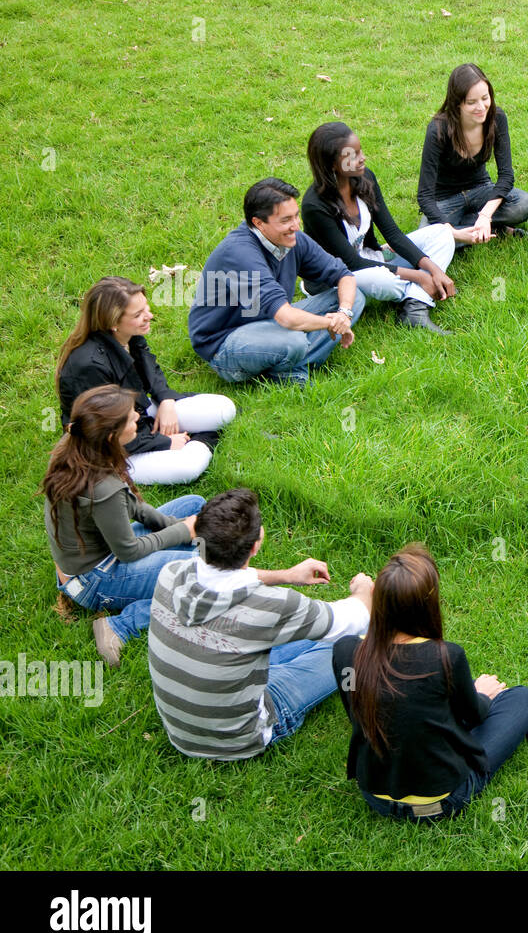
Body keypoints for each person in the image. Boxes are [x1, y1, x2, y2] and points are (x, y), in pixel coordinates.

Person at [331, 544, 528, 822]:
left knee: (423, 706)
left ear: (377, 604)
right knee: (521, 698)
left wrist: (363, 597)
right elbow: (474, 715)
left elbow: (357, 713)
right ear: (427, 605)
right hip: (444, 799)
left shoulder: (346, 651)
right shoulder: (445, 657)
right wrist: (482, 695)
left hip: (374, 795)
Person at [148, 488, 373, 760]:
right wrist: (364, 589)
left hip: (180, 730)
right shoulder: (271, 608)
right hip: (238, 738)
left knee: (267, 640)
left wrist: (286, 575)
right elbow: (354, 618)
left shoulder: (171, 573)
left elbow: (226, 579)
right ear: (256, 544)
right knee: (351, 643)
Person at [43, 385, 203, 667]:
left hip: (97, 554)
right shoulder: (102, 487)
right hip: (94, 579)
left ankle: (191, 555)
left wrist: (176, 525)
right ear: (110, 436)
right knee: (202, 576)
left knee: (194, 503)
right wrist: (181, 531)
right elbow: (128, 550)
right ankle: (121, 625)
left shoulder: (78, 446)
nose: (139, 419)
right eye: (131, 418)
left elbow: (132, 507)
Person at [56, 277, 237, 485]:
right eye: (138, 314)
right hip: (113, 450)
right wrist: (165, 441)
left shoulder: (128, 334)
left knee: (223, 409)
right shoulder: (89, 367)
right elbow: (109, 432)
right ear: (113, 322)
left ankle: (190, 434)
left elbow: (151, 369)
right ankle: (202, 438)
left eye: (146, 308)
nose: (149, 316)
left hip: (138, 415)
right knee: (188, 468)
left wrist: (167, 401)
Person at [188, 178, 364, 385]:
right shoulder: (239, 253)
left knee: (355, 298)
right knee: (294, 340)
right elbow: (287, 318)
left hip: (270, 321)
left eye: (296, 216)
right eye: (286, 220)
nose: (296, 226)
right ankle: (288, 365)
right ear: (259, 223)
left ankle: (287, 367)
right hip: (225, 342)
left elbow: (344, 276)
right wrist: (334, 324)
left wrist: (343, 313)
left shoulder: (292, 238)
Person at [302, 122, 456, 335]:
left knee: (442, 233)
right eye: (353, 156)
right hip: (337, 277)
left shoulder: (365, 178)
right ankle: (420, 296)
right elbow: (352, 263)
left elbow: (392, 233)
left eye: (360, 150)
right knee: (383, 281)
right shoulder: (315, 206)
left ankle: (414, 304)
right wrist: (419, 276)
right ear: (332, 165)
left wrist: (433, 269)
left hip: (371, 258)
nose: (362, 157)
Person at [416, 63, 528, 244]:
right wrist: (452, 231)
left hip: (481, 189)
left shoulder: (496, 119)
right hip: (444, 198)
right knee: (426, 241)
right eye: (471, 102)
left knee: (523, 204)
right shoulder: (438, 130)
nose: (481, 107)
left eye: (485, 98)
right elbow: (424, 196)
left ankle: (474, 229)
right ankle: (486, 231)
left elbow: (506, 176)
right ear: (457, 103)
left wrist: (486, 215)